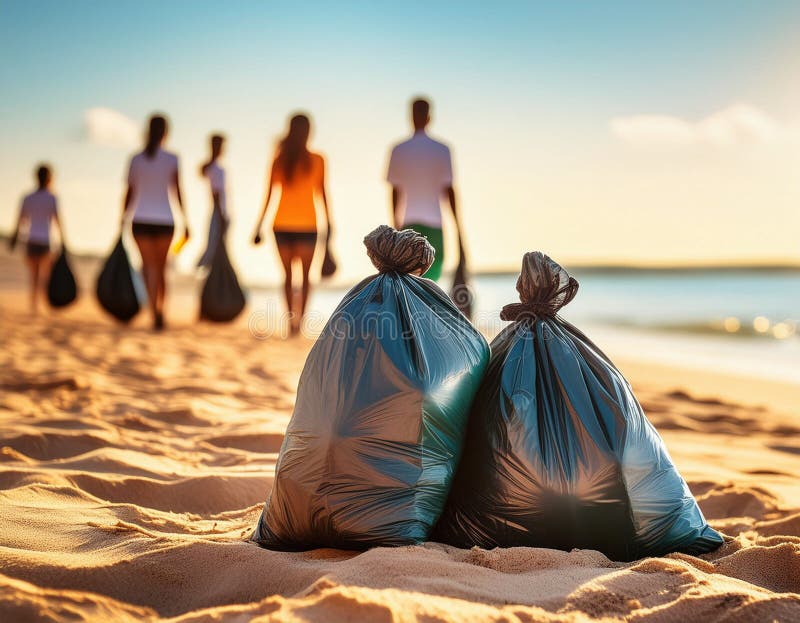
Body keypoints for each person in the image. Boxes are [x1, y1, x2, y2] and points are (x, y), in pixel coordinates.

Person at [252, 113, 332, 336]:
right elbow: (322, 194)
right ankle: (299, 323)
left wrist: (259, 225)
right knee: (304, 277)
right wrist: (330, 222)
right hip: (307, 225)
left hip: (283, 225)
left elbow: (268, 195)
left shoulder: (282, 159)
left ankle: (292, 323)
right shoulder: (314, 159)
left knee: (289, 276)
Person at [121, 114, 189, 330]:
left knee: (148, 267)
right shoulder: (172, 159)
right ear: (166, 133)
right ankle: (161, 310)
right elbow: (177, 191)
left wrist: (122, 217)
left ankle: (153, 311)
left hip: (139, 219)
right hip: (165, 220)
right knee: (160, 268)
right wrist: (186, 219)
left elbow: (129, 192)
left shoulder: (136, 159)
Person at [386, 97, 464, 282]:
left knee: (411, 280)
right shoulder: (442, 149)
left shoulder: (399, 149)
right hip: (435, 223)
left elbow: (395, 191)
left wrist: (395, 226)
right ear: (430, 117)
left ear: (410, 117)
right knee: (431, 280)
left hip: (408, 225)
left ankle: (412, 311)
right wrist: (458, 226)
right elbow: (449, 191)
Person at [9, 164, 64, 312]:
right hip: (46, 240)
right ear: (49, 178)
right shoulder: (52, 198)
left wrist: (14, 237)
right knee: (44, 274)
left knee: (34, 274)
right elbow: (58, 220)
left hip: (31, 239)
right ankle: (39, 302)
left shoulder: (28, 197)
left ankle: (34, 303)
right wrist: (63, 240)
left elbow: (20, 219)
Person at [197, 134, 228, 267]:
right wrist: (221, 216)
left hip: (219, 212)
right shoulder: (216, 169)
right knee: (214, 250)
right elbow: (216, 194)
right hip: (219, 213)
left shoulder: (214, 168)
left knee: (215, 249)